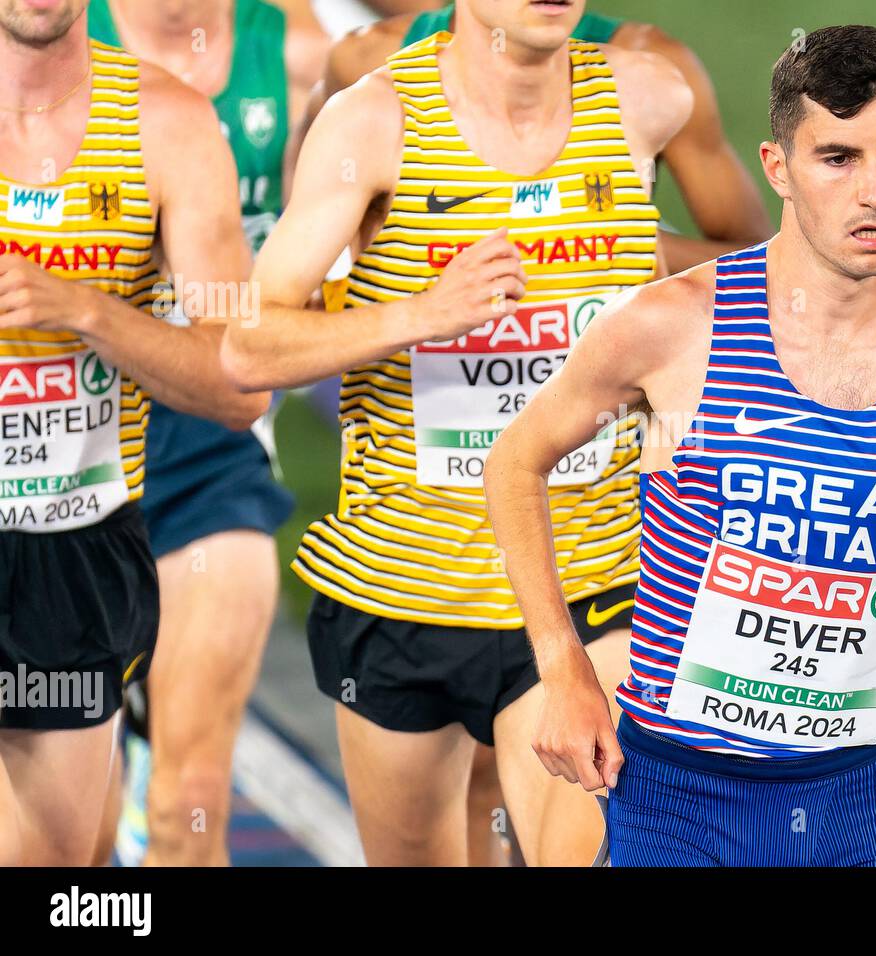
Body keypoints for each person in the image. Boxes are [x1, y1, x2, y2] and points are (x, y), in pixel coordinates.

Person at [484, 24, 876, 866]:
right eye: (838, 159)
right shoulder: (673, 327)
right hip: (675, 794)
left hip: (857, 798)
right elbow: (516, 459)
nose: (875, 194)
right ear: (778, 169)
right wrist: (563, 669)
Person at [221, 0, 692, 866]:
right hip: (400, 592)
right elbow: (249, 343)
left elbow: (729, 266)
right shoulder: (373, 122)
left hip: (588, 593)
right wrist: (421, 312)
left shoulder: (649, 102)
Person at [0, 0, 267, 865]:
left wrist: (83, 310)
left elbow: (239, 385)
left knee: (57, 865)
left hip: (71, 557)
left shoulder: (170, 126)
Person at [82, 0, 328, 866]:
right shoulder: (52, 37)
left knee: (190, 803)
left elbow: (349, 231)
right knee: (75, 821)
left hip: (212, 440)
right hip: (67, 446)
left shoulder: (295, 52)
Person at [301, 1, 771, 273]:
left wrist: (601, 244)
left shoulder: (654, 71)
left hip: (599, 421)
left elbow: (757, 265)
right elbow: (300, 253)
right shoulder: (366, 62)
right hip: (426, 416)